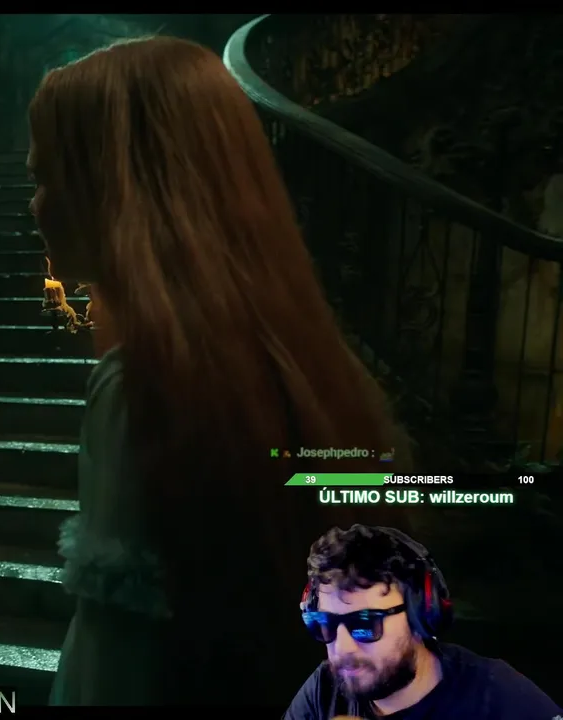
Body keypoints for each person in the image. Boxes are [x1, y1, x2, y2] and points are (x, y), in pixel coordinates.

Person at [27, 37, 416, 705]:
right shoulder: (307, 370)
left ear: (112, 191)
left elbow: (113, 662)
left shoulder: (139, 389)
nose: (36, 205)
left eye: (46, 177)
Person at [286, 524, 560, 718]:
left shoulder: (498, 695)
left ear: (421, 616)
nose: (342, 648)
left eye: (366, 623)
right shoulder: (323, 690)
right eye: (325, 623)